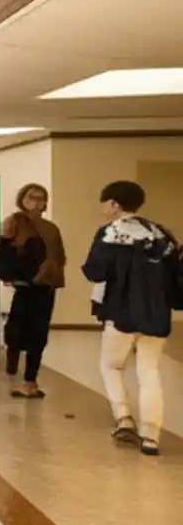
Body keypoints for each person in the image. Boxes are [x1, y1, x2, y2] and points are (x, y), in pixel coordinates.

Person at [81, 181, 180, 456]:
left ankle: (123, 417)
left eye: (105, 203)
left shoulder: (110, 234)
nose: (103, 209)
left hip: (120, 311)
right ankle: (152, 435)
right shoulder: (161, 234)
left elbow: (94, 272)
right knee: (149, 371)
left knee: (111, 366)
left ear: (114, 204)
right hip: (156, 313)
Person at [0, 183, 66, 399]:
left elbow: (58, 256)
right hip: (23, 286)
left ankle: (30, 380)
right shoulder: (13, 223)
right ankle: (13, 355)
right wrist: (13, 275)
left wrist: (48, 274)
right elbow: (2, 252)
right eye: (31, 197)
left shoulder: (51, 229)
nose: (36, 202)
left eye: (41, 198)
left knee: (38, 333)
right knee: (16, 329)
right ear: (22, 199)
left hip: (44, 286)